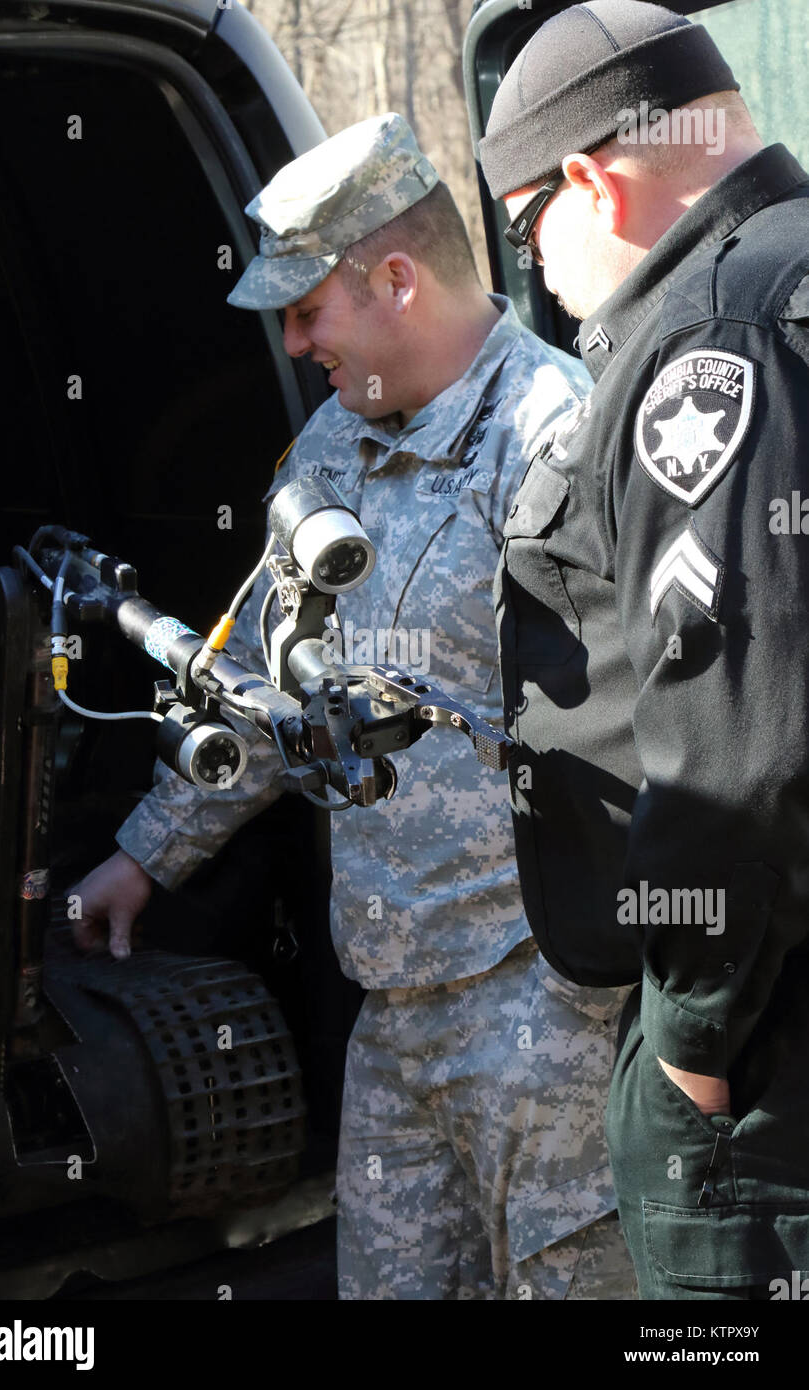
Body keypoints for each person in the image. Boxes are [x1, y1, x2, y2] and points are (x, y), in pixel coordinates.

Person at [71, 113, 637, 1300]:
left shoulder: (559, 437)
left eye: (307, 307)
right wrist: (143, 857)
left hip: (545, 1003)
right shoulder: (330, 448)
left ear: (394, 277)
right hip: (393, 1010)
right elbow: (270, 680)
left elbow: (653, 730)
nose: (291, 342)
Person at [480, 0, 809, 1298]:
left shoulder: (708, 338)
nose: (540, 274)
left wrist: (685, 1040)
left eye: (524, 228)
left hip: (764, 1068)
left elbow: (743, 749)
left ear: (588, 180)